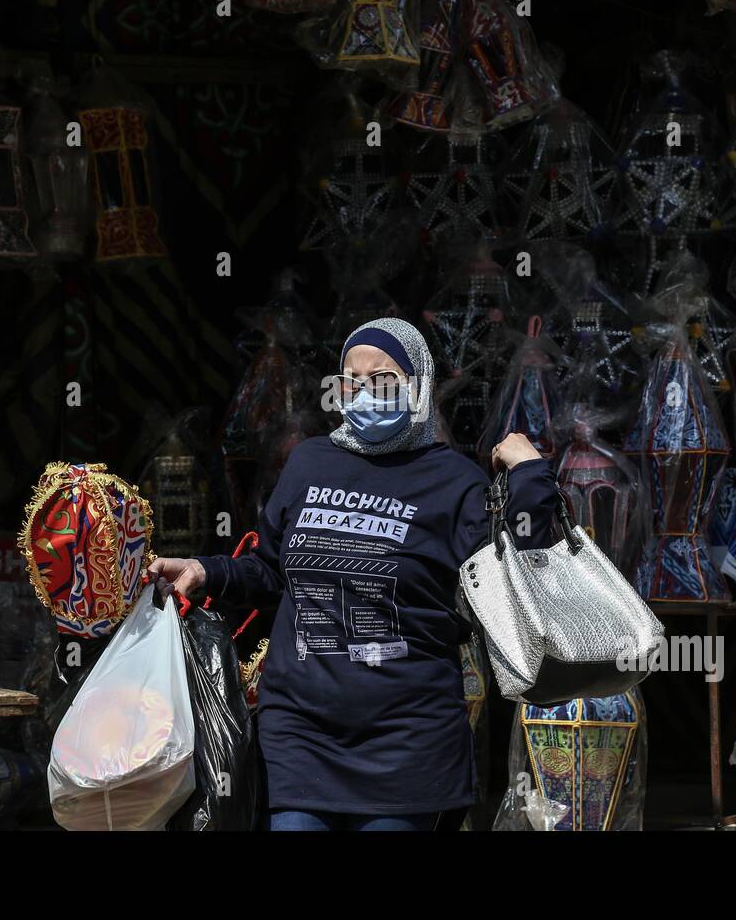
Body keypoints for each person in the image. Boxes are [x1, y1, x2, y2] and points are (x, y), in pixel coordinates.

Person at [149, 317, 557, 831]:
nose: (364, 394)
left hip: (407, 742)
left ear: (419, 387)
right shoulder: (310, 463)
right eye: (350, 382)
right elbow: (272, 570)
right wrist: (205, 570)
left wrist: (529, 473)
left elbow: (525, 570)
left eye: (382, 380)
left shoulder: (455, 482)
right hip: (301, 731)